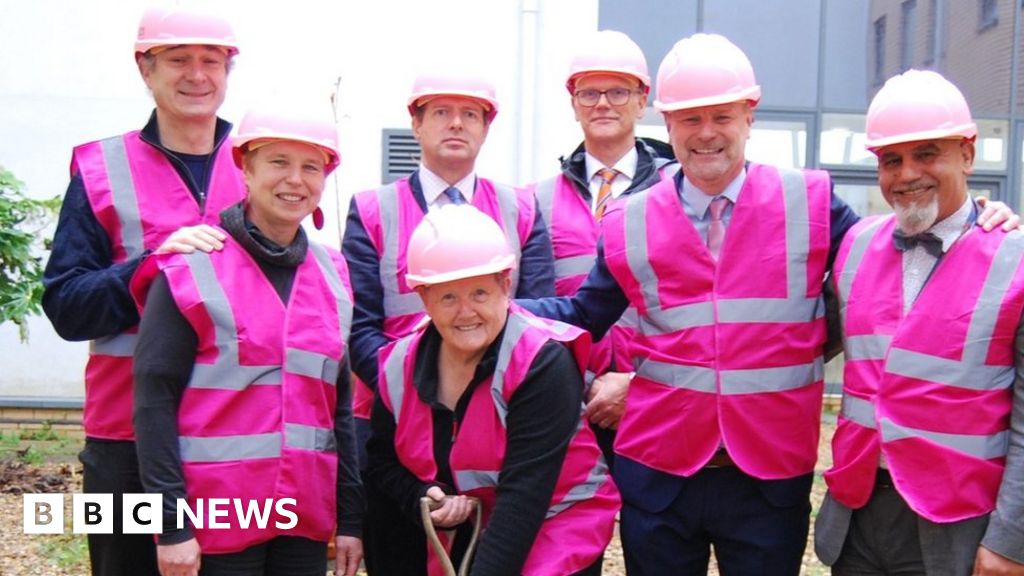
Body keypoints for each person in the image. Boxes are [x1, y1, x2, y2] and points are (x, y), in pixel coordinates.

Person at [519, 33, 1020, 576]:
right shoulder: (628, 220)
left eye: (722, 116)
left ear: (749, 116)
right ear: (668, 124)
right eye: (690, 119)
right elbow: (584, 315)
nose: (706, 133)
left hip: (769, 476)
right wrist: (494, 309)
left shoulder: (811, 202)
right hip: (659, 473)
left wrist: (975, 220)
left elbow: (896, 255)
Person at [41, 7, 246, 575]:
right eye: (178, 59)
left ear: (228, 72)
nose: (197, 75)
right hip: (124, 438)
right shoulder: (100, 168)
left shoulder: (263, 164)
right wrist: (150, 269)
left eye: (211, 61)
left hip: (236, 435)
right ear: (145, 69)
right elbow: (66, 307)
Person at [130, 107, 364, 576]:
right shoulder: (192, 265)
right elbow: (154, 402)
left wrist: (351, 519)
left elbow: (337, 408)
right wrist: (171, 527)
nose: (295, 180)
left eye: (311, 167)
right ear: (246, 169)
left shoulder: (334, 274)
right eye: (278, 162)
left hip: (303, 516)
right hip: (215, 519)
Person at [342, 69, 556, 574]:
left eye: (470, 114)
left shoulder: (523, 208)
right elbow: (359, 327)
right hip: (396, 437)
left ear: (486, 127)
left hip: (496, 425)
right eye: (441, 112)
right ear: (416, 124)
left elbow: (537, 316)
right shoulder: (372, 210)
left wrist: (474, 396)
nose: (456, 124)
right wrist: (419, 396)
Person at [813, 70, 1024, 576]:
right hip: (857, 514)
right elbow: (793, 341)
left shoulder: (1015, 260)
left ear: (967, 155)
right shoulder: (854, 246)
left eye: (926, 154)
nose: (907, 174)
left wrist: (1012, 540)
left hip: (959, 523)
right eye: (892, 160)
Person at [365, 204, 619, 576]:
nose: (466, 312)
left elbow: (523, 498)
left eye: (480, 293)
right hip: (473, 526)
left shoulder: (541, 361)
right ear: (424, 299)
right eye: (448, 297)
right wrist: (420, 495)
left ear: (505, 285)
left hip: (553, 523)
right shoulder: (397, 366)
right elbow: (381, 463)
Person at [527, 30, 676, 467]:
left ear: (642, 100)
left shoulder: (678, 192)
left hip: (658, 402)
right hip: (564, 403)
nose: (603, 104)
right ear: (573, 102)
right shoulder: (536, 201)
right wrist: (580, 383)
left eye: (618, 91)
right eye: (589, 93)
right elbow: (534, 310)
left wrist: (636, 384)